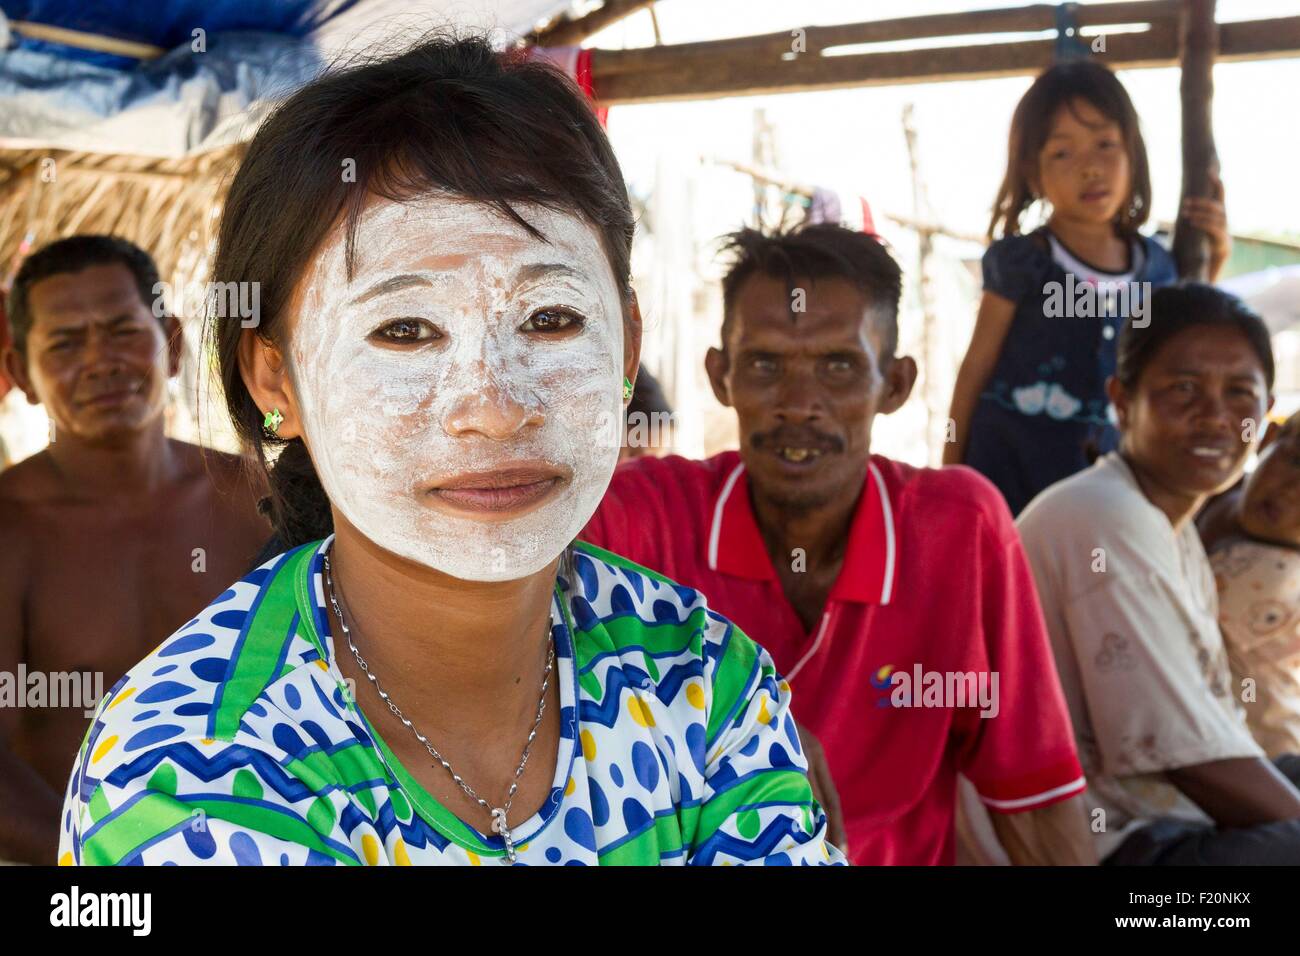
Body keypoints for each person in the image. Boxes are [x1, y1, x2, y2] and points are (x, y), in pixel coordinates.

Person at [58, 34, 842, 867]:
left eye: (550, 319)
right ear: (275, 381)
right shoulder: (188, 771)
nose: (495, 409)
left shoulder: (702, 679)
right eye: (404, 330)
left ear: (625, 347)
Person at [581, 223, 1094, 865]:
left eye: (839, 366)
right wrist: (750, 717)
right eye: (766, 364)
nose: (800, 404)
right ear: (721, 377)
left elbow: (1037, 800)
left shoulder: (961, 533)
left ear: (897, 385)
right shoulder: (640, 518)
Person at [0, 236, 270, 865]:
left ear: (172, 343)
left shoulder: (260, 498)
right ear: (22, 377)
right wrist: (110, 866)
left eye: (122, 330)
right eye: (65, 343)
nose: (100, 361)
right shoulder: (9, 528)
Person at [1018, 283, 1300, 865]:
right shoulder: (1104, 516)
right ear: (1122, 401)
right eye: (1184, 390)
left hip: (1154, 821)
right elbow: (1193, 761)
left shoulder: (1171, 526)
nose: (1216, 418)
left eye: (1240, 393)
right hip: (1102, 845)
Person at [945, 59, 1231, 515]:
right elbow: (975, 370)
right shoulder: (1023, 263)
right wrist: (950, 478)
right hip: (1009, 479)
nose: (1090, 169)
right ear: (1033, 173)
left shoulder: (1156, 267)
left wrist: (1217, 258)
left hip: (1107, 490)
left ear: (1132, 154)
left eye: (1104, 145)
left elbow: (1178, 337)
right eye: (1063, 153)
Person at [1198, 410, 1300, 758]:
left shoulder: (1274, 574)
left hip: (1267, 758)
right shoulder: (1215, 495)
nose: (1293, 496)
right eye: (1296, 463)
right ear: (1269, 437)